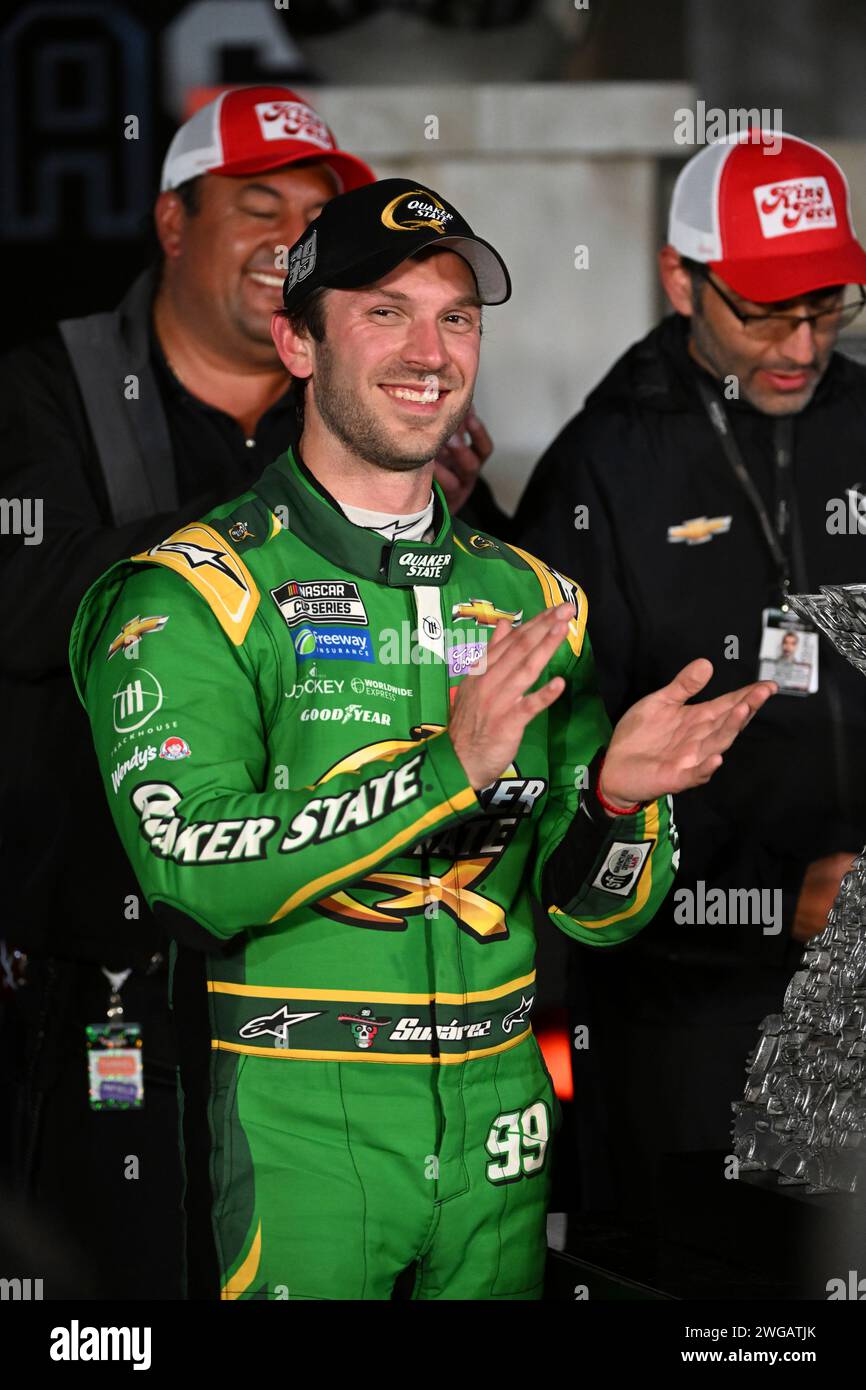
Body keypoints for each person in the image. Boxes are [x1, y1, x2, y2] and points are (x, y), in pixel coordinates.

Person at [70, 176, 774, 1300]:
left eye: (456, 318)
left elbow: (596, 915)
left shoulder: (535, 596)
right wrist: (447, 768)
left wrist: (614, 802)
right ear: (296, 343)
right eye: (384, 312)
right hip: (303, 1114)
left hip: (503, 1121)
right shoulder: (194, 591)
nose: (430, 351)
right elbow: (190, 872)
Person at [0, 84, 496, 1300]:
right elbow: (20, 602)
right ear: (173, 223)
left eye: (313, 211)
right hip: (102, 967)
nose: (287, 231)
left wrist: (430, 520)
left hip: (321, 979)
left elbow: (511, 640)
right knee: (112, 1295)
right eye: (255, 202)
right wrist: (306, 518)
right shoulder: (49, 381)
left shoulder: (365, 394)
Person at [514, 129, 866, 1227]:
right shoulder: (599, 469)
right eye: (763, 310)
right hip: (686, 1022)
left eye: (826, 307)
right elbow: (559, 780)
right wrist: (771, 902)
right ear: (678, 277)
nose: (797, 346)